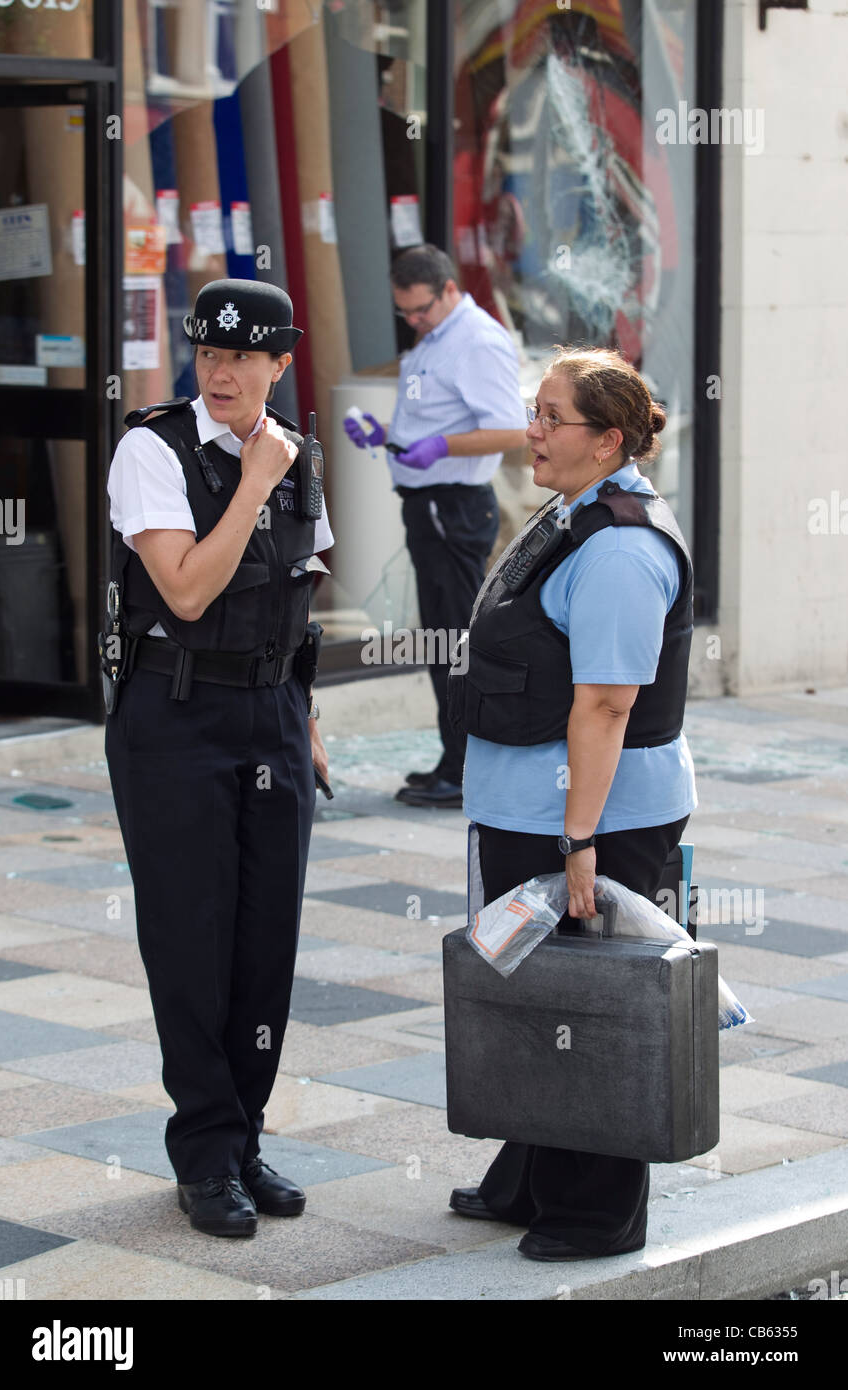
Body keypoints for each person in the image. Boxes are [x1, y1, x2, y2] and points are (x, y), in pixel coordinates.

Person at [445, 346, 697, 1260]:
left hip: (594, 822)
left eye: (553, 417)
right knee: (530, 993)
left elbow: (605, 703)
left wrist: (577, 842)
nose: (533, 431)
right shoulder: (573, 510)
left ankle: (595, 1212)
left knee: (587, 1016)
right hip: (526, 812)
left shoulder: (624, 545)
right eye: (536, 411)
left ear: (610, 440)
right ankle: (531, 1179)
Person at [104, 279, 332, 1238]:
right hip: (176, 715)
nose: (224, 372)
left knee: (263, 944)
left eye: (245, 357)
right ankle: (203, 1153)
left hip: (271, 710)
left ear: (280, 363)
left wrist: (306, 718)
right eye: (209, 354)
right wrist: (253, 483)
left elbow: (303, 592)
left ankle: (242, 1137)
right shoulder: (150, 448)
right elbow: (189, 592)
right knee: (193, 940)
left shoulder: (297, 454)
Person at [344, 244, 528, 808]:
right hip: (429, 504)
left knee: (455, 642)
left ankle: (470, 768)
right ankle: (457, 759)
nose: (413, 321)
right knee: (444, 640)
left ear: (449, 289)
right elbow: (434, 415)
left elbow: (511, 430)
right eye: (404, 312)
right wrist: (387, 436)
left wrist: (441, 446)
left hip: (453, 504)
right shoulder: (438, 337)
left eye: (420, 309)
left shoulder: (476, 339)